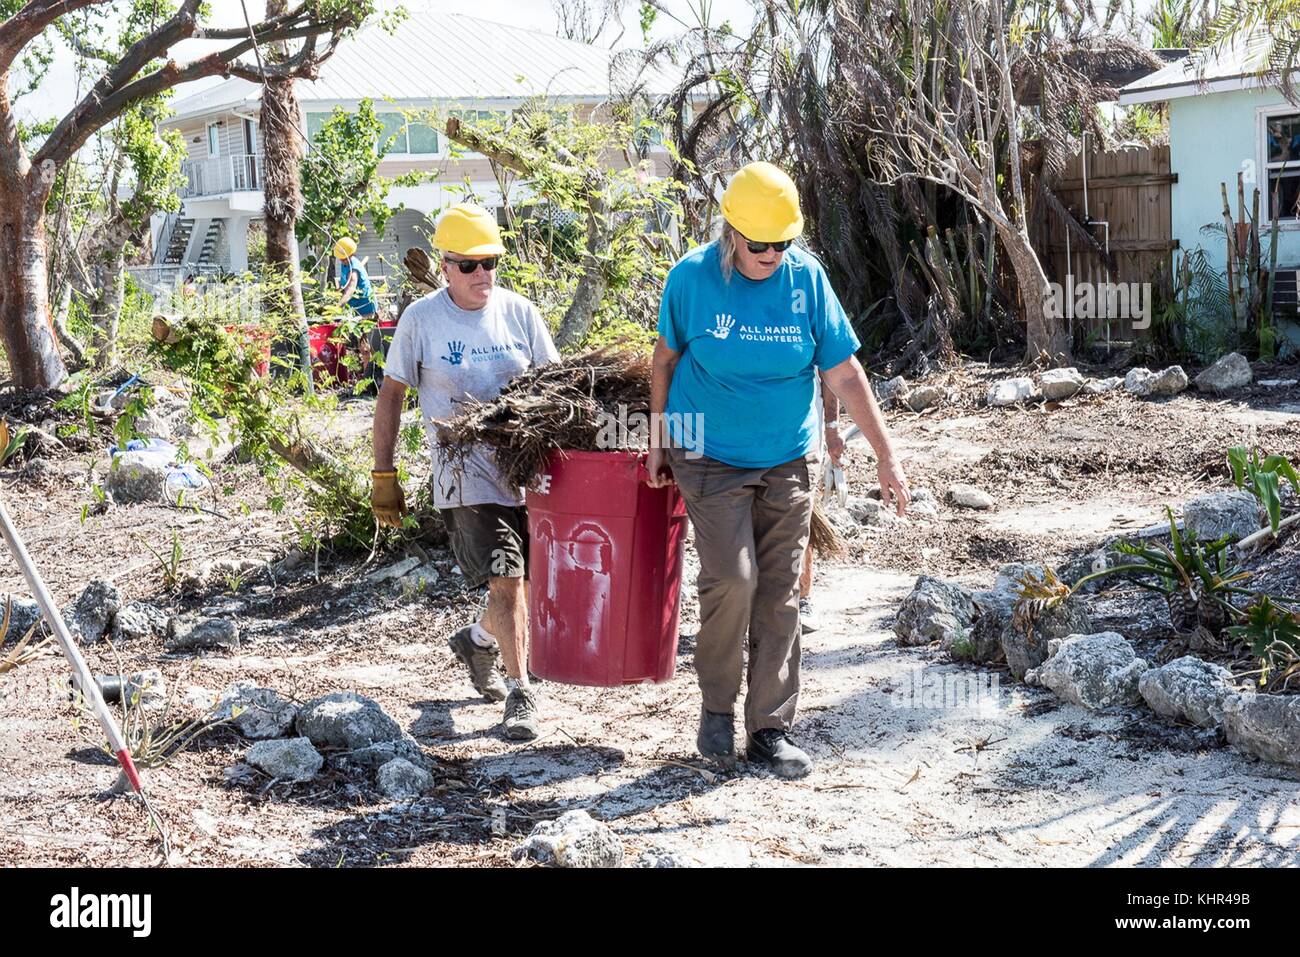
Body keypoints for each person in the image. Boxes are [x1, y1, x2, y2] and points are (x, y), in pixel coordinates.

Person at [647, 161, 910, 779]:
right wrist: (657, 440)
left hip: (788, 458)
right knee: (732, 579)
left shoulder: (806, 280)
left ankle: (769, 728)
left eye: (782, 242)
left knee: (779, 591)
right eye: (759, 243)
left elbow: (843, 371)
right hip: (705, 451)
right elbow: (663, 362)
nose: (771, 253)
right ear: (730, 231)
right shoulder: (691, 280)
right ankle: (716, 707)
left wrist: (885, 453)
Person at [370, 204, 559, 741]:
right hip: (463, 471)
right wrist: (384, 476)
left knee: (526, 580)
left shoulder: (519, 313)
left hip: (525, 471)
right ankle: (521, 692)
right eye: (469, 265)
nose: (482, 275)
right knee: (507, 574)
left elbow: (555, 388)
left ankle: (477, 641)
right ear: (445, 265)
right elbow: (391, 398)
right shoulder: (422, 320)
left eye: (490, 262)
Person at [798, 373, 844, 634]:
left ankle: (804, 598)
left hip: (806, 442)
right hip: (754, 442)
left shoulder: (812, 331)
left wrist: (833, 429)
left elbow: (832, 375)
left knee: (805, 518)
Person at [333, 237, 379, 374]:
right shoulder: (345, 264)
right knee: (360, 344)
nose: (341, 260)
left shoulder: (355, 269)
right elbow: (344, 284)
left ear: (350, 254)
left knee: (366, 346)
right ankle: (365, 374)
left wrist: (338, 307)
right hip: (355, 311)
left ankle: (369, 378)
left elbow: (351, 288)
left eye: (343, 258)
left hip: (366, 310)